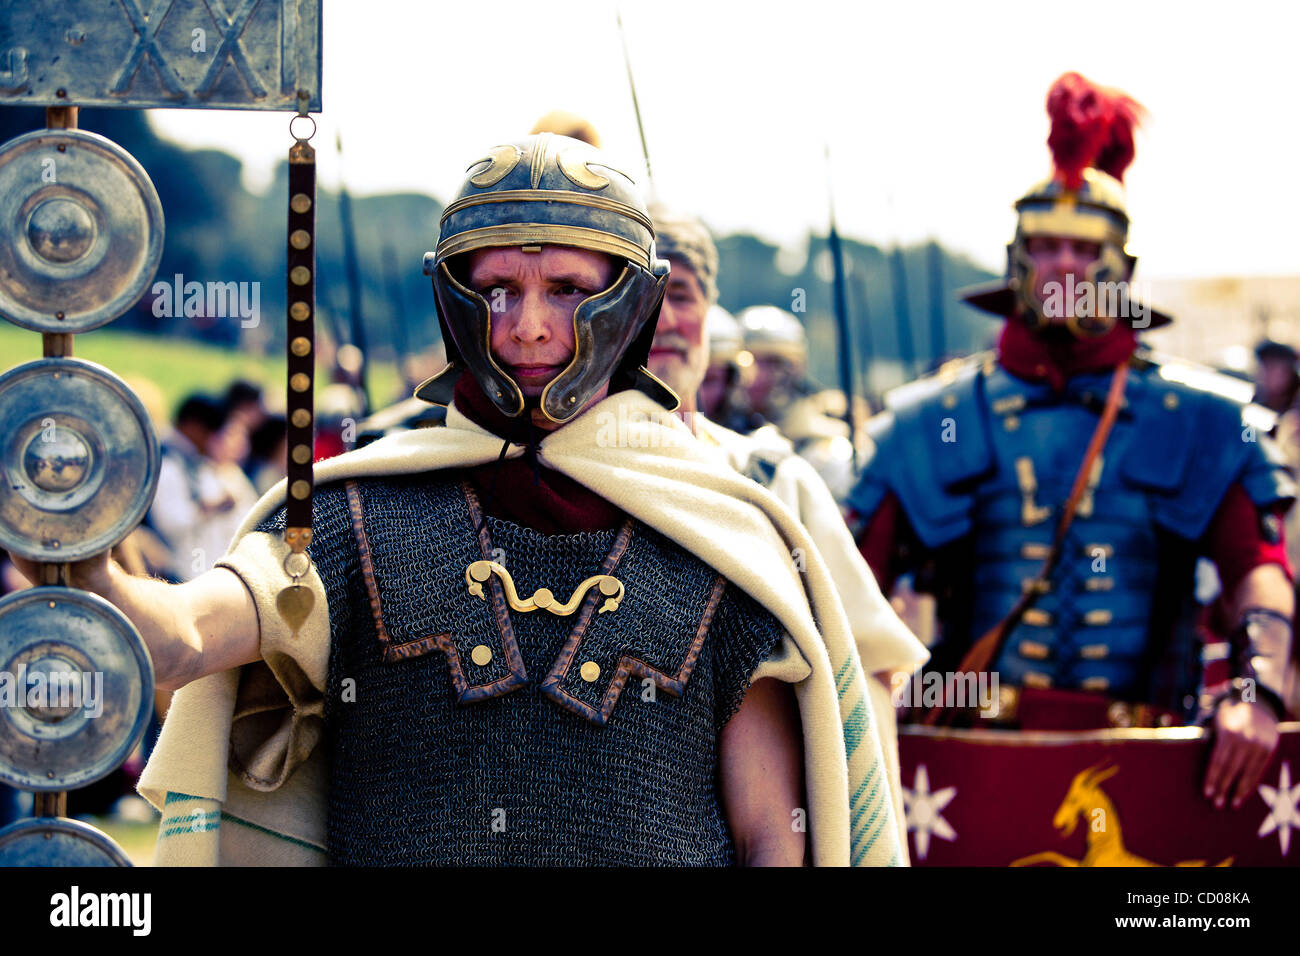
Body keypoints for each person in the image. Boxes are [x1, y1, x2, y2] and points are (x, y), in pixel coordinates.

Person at [9, 133, 900, 867]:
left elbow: (768, 837)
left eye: (568, 291)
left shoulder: (722, 539)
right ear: (453, 297)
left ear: (633, 306)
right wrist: (73, 524)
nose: (530, 326)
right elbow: (175, 639)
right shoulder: (354, 518)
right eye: (498, 289)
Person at [847, 73, 1295, 812]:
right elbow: (850, 592)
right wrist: (874, 703)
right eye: (1046, 245)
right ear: (1016, 258)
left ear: (1120, 265)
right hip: (967, 770)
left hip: (1153, 767)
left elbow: (1259, 571)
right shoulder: (932, 418)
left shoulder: (1205, 417)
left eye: (1083, 250)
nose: (1063, 264)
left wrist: (1258, 692)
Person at [647, 202, 928, 855]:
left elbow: (868, 671)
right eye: (642, 292)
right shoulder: (546, 475)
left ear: (711, 310)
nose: (664, 319)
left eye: (681, 293)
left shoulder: (776, 481)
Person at [735, 305, 858, 501]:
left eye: (772, 363)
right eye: (747, 361)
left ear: (794, 368)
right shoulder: (723, 432)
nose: (755, 374)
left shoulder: (825, 449)